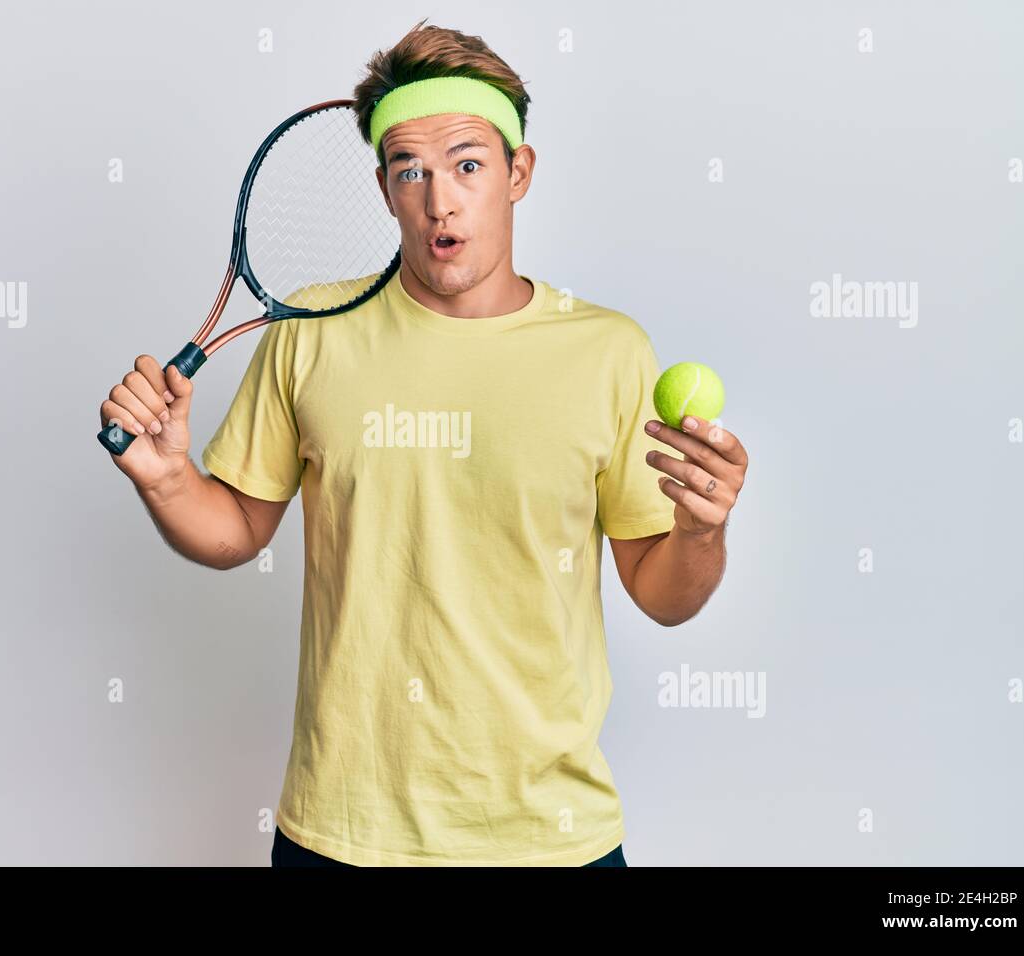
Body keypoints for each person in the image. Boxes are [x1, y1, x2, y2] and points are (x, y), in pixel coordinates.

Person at [98, 19, 748, 867]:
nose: (440, 199)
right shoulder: (311, 334)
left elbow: (662, 595)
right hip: (342, 836)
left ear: (519, 173)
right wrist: (167, 479)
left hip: (552, 841)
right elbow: (236, 531)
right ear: (384, 189)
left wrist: (701, 530)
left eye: (469, 166)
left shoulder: (609, 350)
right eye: (412, 171)